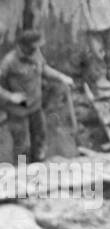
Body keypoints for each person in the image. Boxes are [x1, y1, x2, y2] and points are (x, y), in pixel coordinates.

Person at [1, 30, 74, 163]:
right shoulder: (9, 61)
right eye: (34, 46)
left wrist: (61, 77)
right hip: (17, 110)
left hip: (35, 106)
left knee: (40, 136)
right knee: (21, 143)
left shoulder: (36, 53)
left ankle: (39, 162)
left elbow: (44, 69)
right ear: (24, 46)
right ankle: (21, 170)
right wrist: (10, 96)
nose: (37, 48)